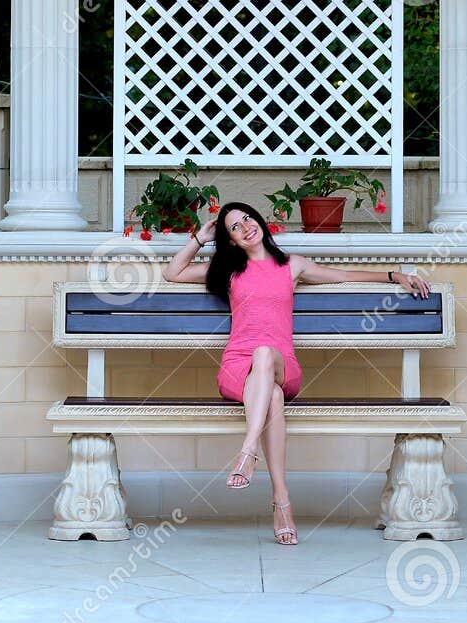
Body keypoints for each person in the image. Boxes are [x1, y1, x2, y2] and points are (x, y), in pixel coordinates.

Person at [162, 201, 432, 546]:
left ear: (258, 220)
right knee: (270, 393)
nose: (246, 227)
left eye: (248, 218)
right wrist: (200, 238)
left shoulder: (292, 266)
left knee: (265, 355)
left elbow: (345, 277)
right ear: (229, 240)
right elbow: (173, 273)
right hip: (237, 368)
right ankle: (281, 501)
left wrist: (395, 276)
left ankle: (247, 451)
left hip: (282, 364)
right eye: (234, 227)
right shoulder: (227, 270)